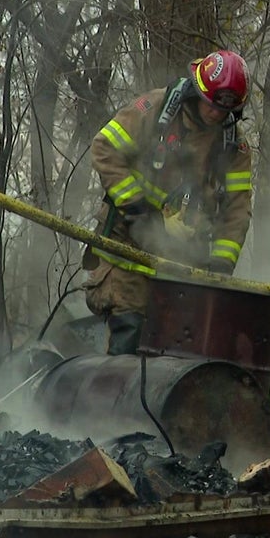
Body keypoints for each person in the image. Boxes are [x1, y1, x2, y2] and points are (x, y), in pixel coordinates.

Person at [83, 50, 254, 354]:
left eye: (225, 108)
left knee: (183, 351)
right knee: (130, 337)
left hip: (182, 266)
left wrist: (221, 264)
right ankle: (110, 400)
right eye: (212, 103)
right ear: (196, 89)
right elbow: (104, 147)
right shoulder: (154, 109)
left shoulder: (234, 148)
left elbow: (237, 211)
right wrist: (137, 209)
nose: (216, 113)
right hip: (127, 251)